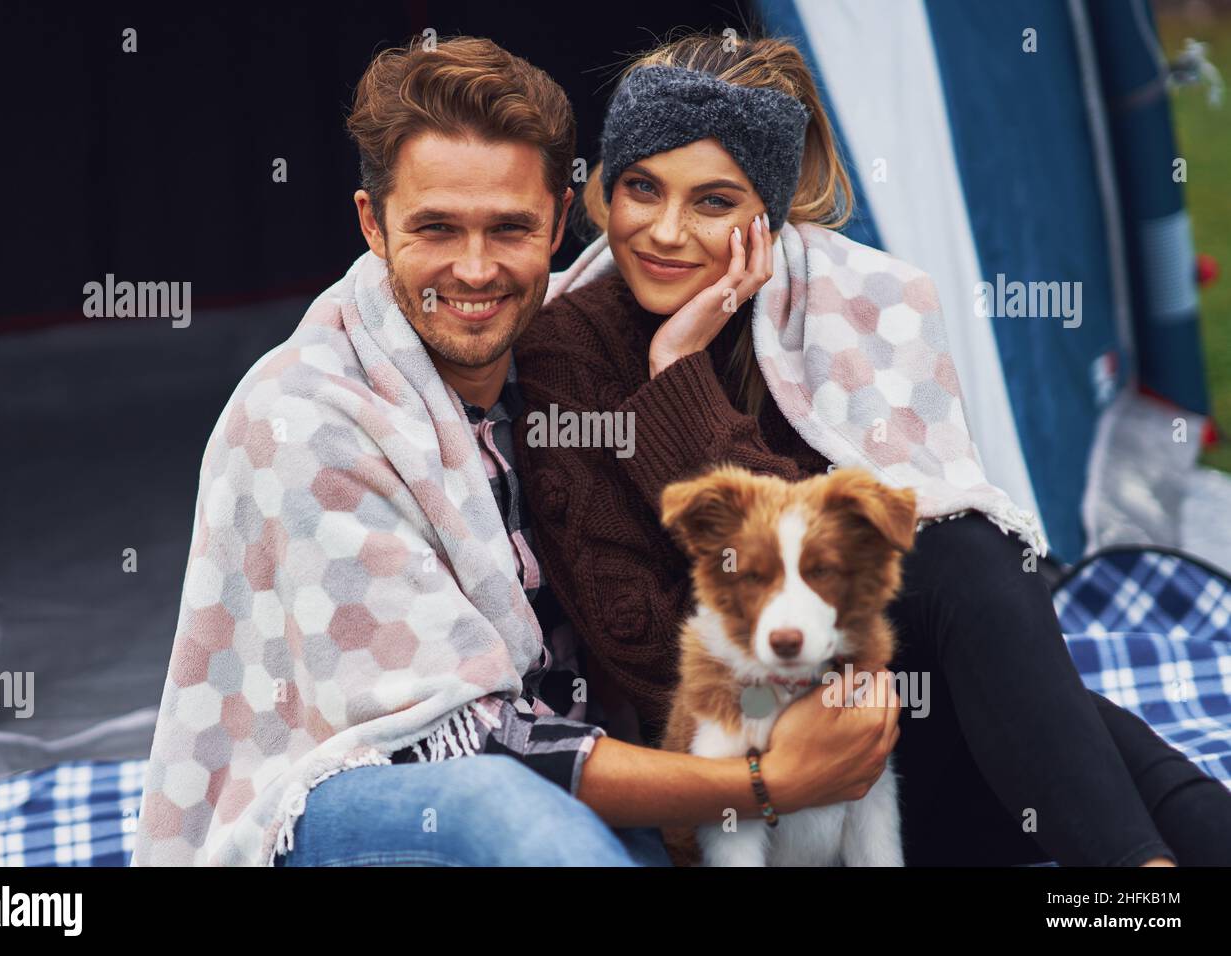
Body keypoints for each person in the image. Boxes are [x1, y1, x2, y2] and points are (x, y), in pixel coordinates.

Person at [131, 35, 899, 868]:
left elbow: (780, 555)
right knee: (496, 800)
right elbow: (469, 744)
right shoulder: (306, 419)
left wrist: (680, 365)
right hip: (360, 808)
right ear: (371, 223)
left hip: (574, 809)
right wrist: (759, 782)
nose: (474, 269)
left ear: (561, 223)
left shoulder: (563, 358)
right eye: (435, 228)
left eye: (509, 228)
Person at [512, 32, 1231, 866]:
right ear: (606, 189)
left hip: (886, 733)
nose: (665, 232)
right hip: (751, 780)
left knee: (968, 561)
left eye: (713, 201)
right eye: (642, 187)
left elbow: (853, 576)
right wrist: (676, 374)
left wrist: (691, 368)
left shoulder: (833, 315)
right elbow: (653, 658)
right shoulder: (566, 354)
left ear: (767, 216)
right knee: (1023, 666)